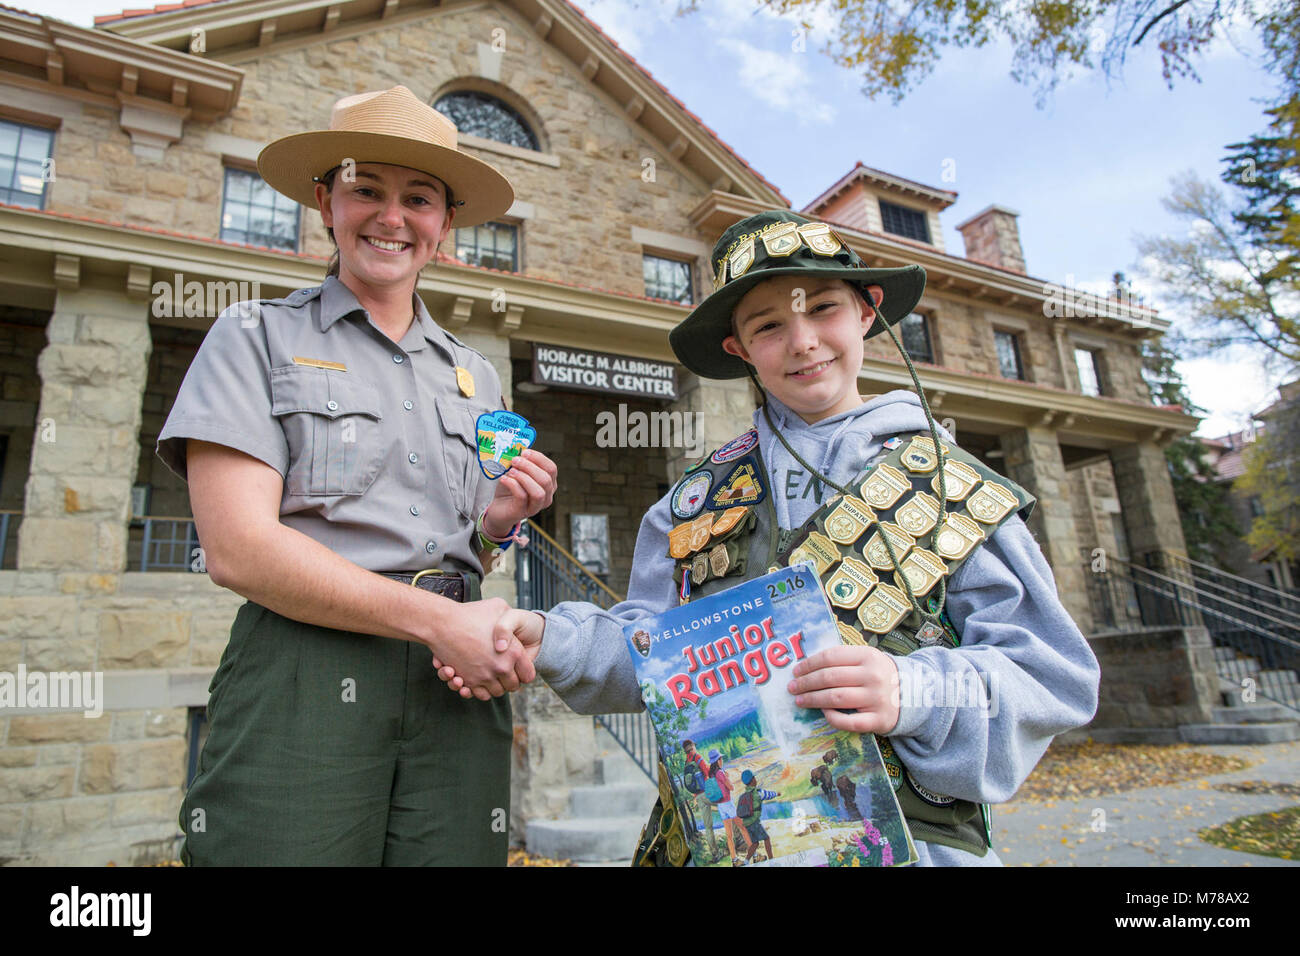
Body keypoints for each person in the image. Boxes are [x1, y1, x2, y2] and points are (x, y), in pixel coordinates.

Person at [456, 209, 1101, 867]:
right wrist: (552, 635)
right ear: (738, 349)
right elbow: (651, 655)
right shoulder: (688, 508)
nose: (802, 342)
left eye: (823, 309)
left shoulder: (949, 485)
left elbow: (1051, 676)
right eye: (768, 326)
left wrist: (912, 691)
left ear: (867, 312)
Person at [157, 86, 557, 866]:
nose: (391, 216)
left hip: (456, 683)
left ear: (444, 227)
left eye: (419, 199)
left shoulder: (475, 376)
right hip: (307, 669)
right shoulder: (254, 336)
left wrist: (498, 521)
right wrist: (439, 622)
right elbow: (238, 549)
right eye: (365, 189)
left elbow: (467, 549)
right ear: (324, 201)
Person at [737, 769, 779, 865]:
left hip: (747, 823)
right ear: (752, 780)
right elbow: (768, 795)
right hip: (754, 822)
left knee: (755, 843)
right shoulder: (757, 793)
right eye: (754, 778)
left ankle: (746, 861)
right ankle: (772, 861)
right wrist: (777, 794)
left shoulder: (743, 796)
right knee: (766, 838)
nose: (756, 779)